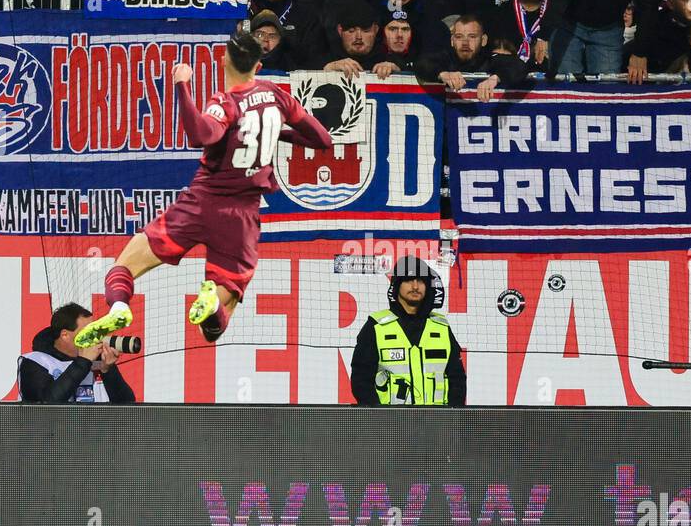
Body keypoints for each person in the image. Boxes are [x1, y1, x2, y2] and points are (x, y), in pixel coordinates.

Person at [75, 31, 334, 349]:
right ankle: (211, 304)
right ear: (259, 65)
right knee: (212, 331)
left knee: (124, 265)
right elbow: (323, 139)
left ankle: (119, 307)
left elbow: (200, 134)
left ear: (223, 59)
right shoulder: (277, 96)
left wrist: (182, 85)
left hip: (200, 204)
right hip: (242, 217)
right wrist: (277, 133)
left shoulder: (226, 102)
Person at [349, 256, 466, 406]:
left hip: (437, 424)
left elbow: (457, 379)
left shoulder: (442, 327)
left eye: (421, 280)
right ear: (397, 284)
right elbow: (361, 380)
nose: (415, 286)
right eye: (409, 280)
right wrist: (378, 418)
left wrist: (450, 419)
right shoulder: (376, 327)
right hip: (390, 425)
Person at [19, 303, 136, 404]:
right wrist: (83, 362)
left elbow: (127, 407)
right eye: (86, 333)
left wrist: (108, 370)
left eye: (94, 331)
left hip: (88, 429)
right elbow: (44, 405)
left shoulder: (95, 361)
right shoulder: (36, 361)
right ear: (65, 335)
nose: (93, 338)